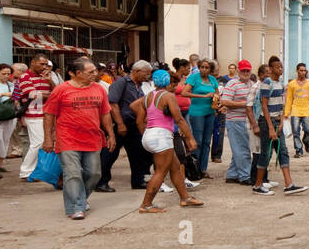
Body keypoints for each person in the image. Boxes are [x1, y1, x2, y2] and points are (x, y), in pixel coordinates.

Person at [41, 57, 116, 220]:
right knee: (73, 174)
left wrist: (111, 134)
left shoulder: (99, 89)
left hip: (93, 138)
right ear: (75, 73)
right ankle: (76, 207)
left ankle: (81, 199)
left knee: (94, 174)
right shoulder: (61, 90)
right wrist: (48, 138)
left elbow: (105, 113)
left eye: (95, 71)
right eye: (91, 72)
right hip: (67, 138)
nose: (95, 74)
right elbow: (49, 114)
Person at [132, 69, 202, 212]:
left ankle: (185, 198)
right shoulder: (168, 96)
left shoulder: (147, 97)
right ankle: (146, 205)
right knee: (161, 172)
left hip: (149, 135)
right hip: (162, 136)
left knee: (175, 167)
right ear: (167, 82)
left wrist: (148, 135)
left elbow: (139, 121)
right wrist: (190, 138)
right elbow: (179, 119)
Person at [96, 60, 154, 193]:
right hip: (121, 125)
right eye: (146, 73)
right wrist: (120, 124)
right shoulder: (121, 83)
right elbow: (113, 104)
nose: (148, 76)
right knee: (110, 154)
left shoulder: (139, 85)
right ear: (137, 71)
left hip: (134, 125)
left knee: (138, 153)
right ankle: (101, 182)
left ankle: (138, 181)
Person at [251, 57, 306, 196]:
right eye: (277, 67)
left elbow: (281, 104)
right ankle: (258, 185)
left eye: (281, 67)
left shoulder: (281, 84)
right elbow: (264, 105)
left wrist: (281, 122)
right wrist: (270, 127)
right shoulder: (267, 83)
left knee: (283, 152)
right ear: (271, 68)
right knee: (266, 153)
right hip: (267, 122)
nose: (280, 69)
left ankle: (289, 184)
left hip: (277, 121)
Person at [15, 55, 56, 181]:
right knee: (38, 143)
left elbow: (56, 93)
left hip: (46, 114)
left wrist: (49, 81)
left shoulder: (46, 76)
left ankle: (31, 170)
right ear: (33, 62)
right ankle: (26, 171)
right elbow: (33, 95)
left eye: (46, 64)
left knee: (40, 143)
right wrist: (48, 95)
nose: (44, 67)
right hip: (32, 114)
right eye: (41, 64)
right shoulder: (24, 77)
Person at [180, 58, 221, 178]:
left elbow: (217, 93)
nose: (204, 69)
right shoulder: (194, 78)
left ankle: (203, 169)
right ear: (199, 68)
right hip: (197, 113)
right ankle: (194, 169)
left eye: (207, 67)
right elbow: (184, 93)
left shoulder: (212, 79)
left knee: (207, 141)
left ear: (210, 69)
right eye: (202, 67)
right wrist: (203, 96)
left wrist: (217, 99)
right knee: (197, 140)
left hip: (210, 112)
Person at [219, 60, 259, 184]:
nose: (246, 73)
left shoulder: (252, 84)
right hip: (235, 121)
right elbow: (224, 101)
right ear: (238, 71)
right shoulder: (232, 84)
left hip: (247, 121)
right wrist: (244, 104)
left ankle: (232, 174)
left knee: (239, 148)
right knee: (243, 149)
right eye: (243, 71)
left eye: (248, 70)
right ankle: (245, 176)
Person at [286, 62, 309, 157]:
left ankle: (306, 141)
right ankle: (298, 150)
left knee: (308, 130)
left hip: (307, 111)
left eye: (304, 70)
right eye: (301, 70)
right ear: (297, 71)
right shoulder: (291, 84)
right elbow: (289, 99)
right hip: (295, 110)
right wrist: (286, 113)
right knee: (295, 132)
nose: (303, 72)